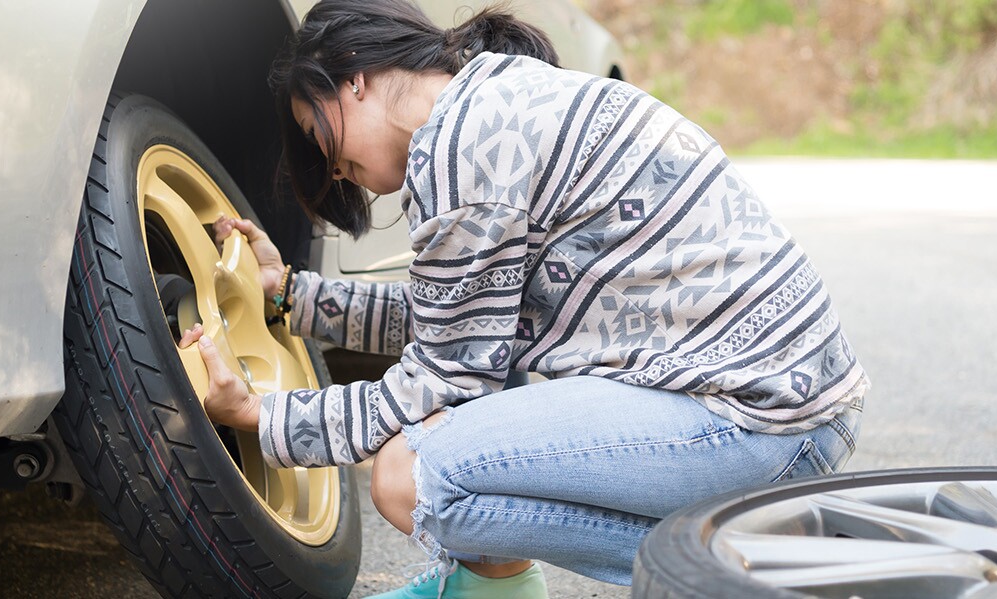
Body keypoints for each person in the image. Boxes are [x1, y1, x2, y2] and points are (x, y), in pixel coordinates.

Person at [177, 0, 869, 597]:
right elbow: (453, 320)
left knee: (413, 473)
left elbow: (444, 377)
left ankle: (740, 566)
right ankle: (494, 586)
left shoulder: (458, 153)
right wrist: (293, 295)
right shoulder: (491, 99)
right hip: (787, 402)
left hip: (756, 421)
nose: (329, 167)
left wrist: (265, 417)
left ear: (353, 77)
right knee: (452, 438)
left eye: (315, 132)